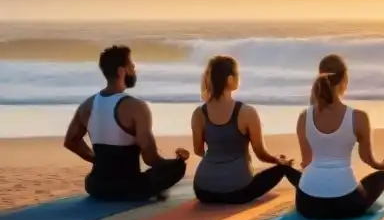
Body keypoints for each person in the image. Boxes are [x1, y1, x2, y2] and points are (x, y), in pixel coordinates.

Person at [63, 45, 188, 201]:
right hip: (127, 187)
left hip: (96, 186)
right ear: (122, 71)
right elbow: (150, 159)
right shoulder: (136, 107)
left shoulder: (87, 105)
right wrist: (176, 160)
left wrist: (98, 160)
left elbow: (71, 141)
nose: (134, 69)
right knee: (177, 167)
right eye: (132, 65)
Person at [191, 56, 301, 205]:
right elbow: (260, 154)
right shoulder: (247, 112)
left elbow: (198, 150)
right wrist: (278, 160)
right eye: (237, 74)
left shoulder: (199, 113)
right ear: (230, 79)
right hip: (237, 192)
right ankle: (314, 193)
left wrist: (219, 155)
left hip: (203, 190)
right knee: (283, 168)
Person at [295, 54, 384, 219]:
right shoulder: (359, 117)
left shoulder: (304, 117)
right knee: (382, 177)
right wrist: (383, 164)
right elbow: (368, 159)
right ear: (345, 80)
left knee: (307, 179)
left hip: (307, 205)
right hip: (346, 204)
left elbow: (306, 161)